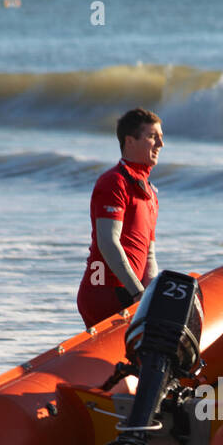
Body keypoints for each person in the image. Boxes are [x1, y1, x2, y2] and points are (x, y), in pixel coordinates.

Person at [76, 108, 162, 327]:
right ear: (130, 141)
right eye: (152, 137)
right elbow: (108, 242)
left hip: (131, 294)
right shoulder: (114, 182)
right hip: (103, 291)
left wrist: (149, 297)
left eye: (161, 137)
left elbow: (149, 255)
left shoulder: (149, 192)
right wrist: (138, 292)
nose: (161, 144)